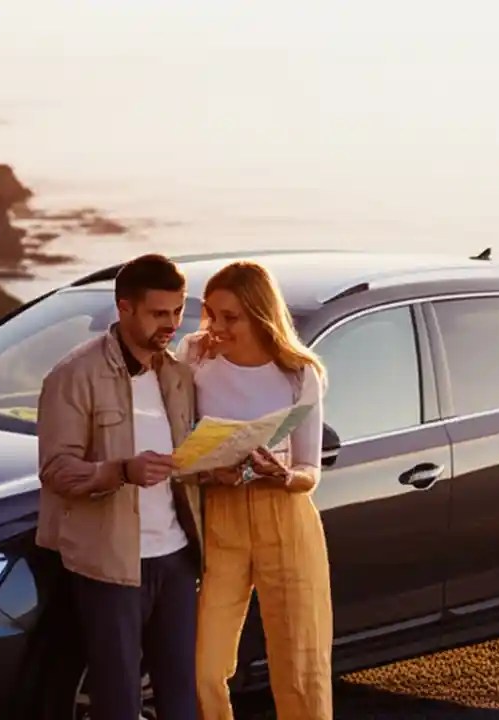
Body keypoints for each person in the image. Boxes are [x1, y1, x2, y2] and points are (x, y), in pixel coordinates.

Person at [35, 253, 203, 720]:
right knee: (118, 700)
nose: (170, 324)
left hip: (175, 558)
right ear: (124, 308)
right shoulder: (73, 376)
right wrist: (121, 471)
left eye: (177, 311)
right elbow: (56, 470)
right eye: (158, 313)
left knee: (181, 697)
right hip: (110, 565)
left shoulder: (178, 375)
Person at [174, 259, 333, 720]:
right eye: (211, 314)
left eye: (230, 317)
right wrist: (205, 470)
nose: (216, 327)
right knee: (203, 668)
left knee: (299, 669)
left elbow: (309, 470)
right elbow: (178, 441)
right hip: (219, 518)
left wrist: (282, 476)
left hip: (285, 516)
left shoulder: (298, 374)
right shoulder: (196, 356)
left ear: (261, 315)